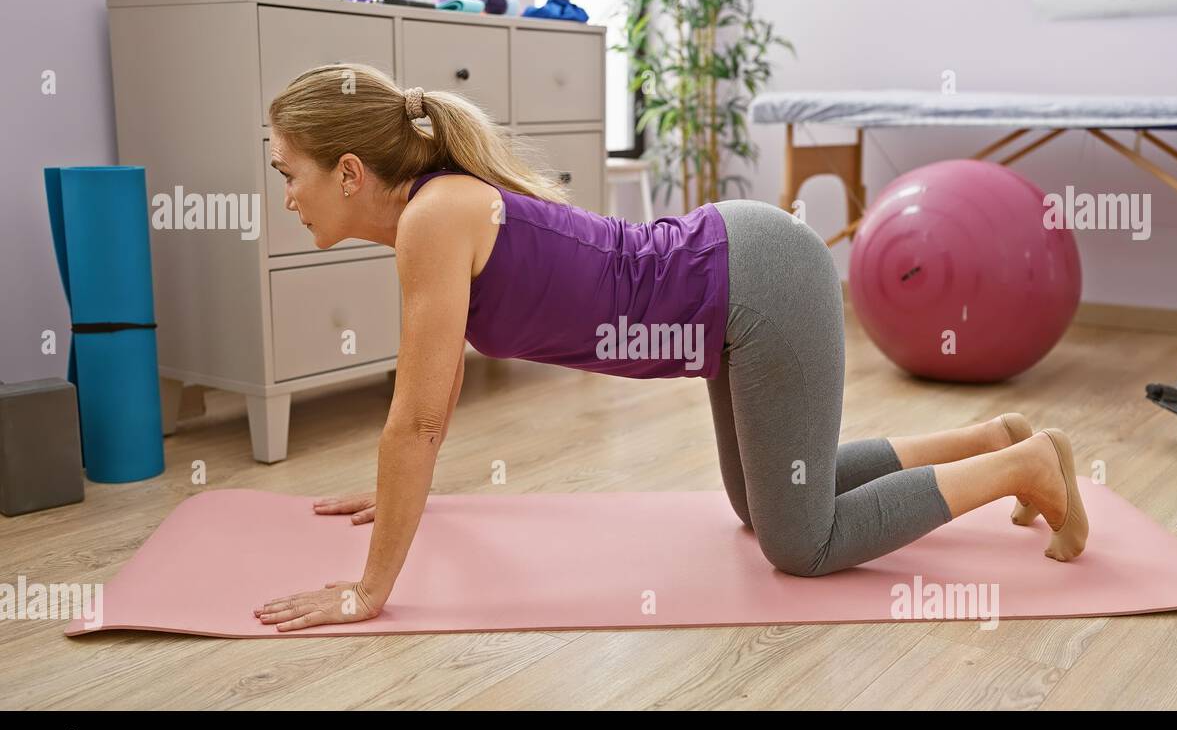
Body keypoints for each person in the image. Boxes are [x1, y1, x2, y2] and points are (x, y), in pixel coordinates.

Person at [253, 64, 1088, 633]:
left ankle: (1028, 466)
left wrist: (369, 590)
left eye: (288, 172)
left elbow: (417, 422)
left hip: (756, 285)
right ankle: (989, 442)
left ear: (351, 172)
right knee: (762, 508)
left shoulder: (434, 217)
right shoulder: (436, 213)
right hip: (734, 283)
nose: (285, 194)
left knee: (802, 544)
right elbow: (428, 412)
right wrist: (400, 495)